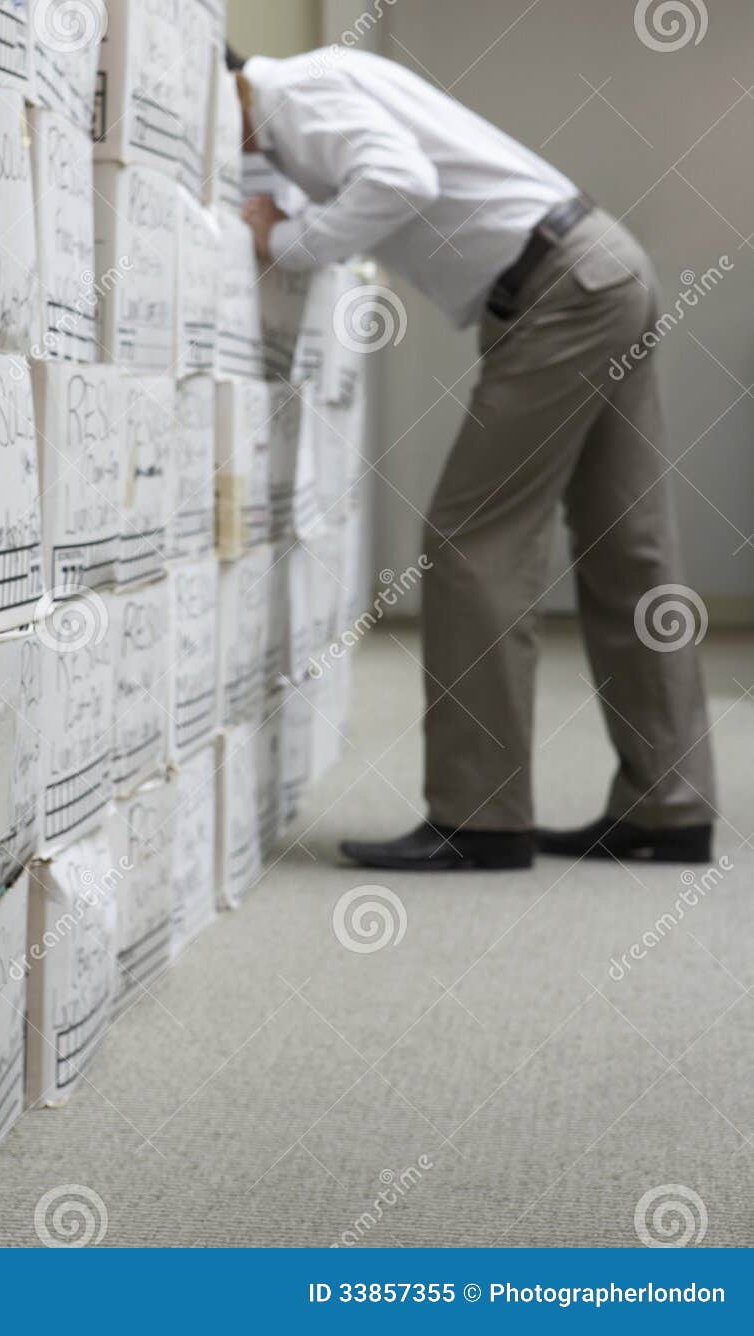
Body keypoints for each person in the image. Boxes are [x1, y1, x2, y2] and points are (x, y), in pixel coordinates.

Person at [230, 44, 715, 871]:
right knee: (626, 545)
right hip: (599, 268)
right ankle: (667, 806)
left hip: (559, 291)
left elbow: (398, 180)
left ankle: (480, 820)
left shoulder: (287, 97)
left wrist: (287, 239)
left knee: (469, 541)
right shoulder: (314, 87)